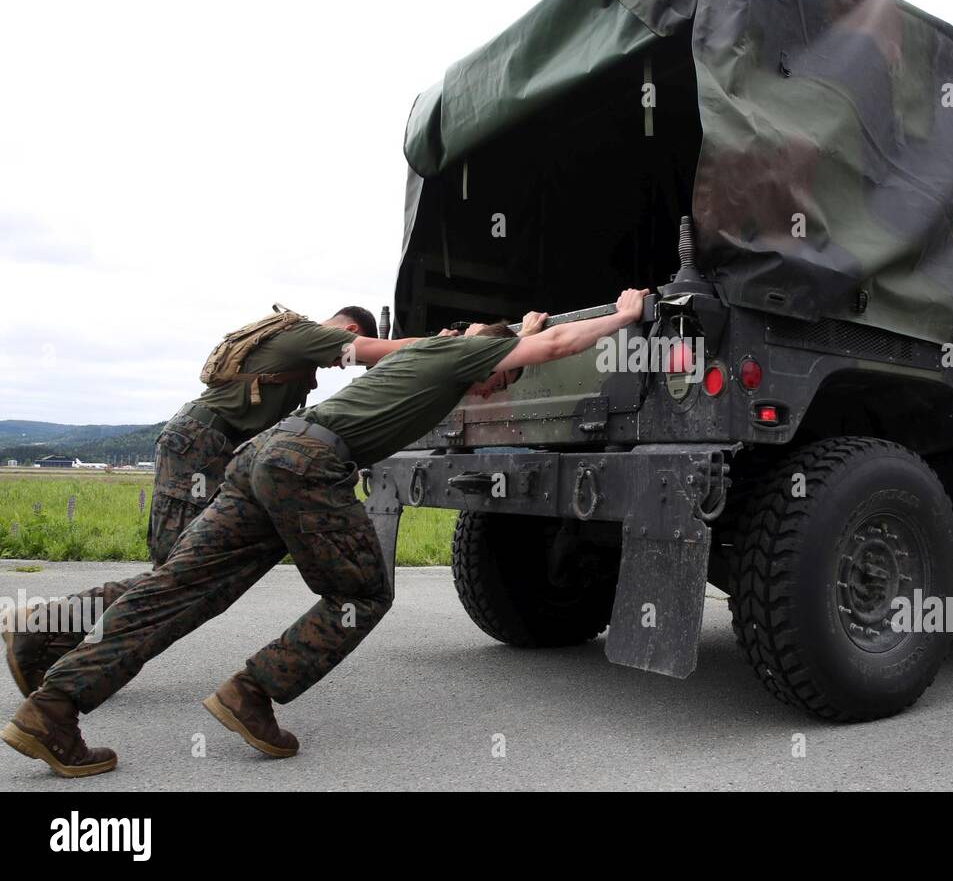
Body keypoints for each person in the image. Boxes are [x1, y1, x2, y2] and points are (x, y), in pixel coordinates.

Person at [0, 289, 644, 777]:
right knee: (363, 594)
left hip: (263, 457)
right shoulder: (466, 353)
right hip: (309, 465)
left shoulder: (435, 354)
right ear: (490, 354)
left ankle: (51, 710)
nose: (499, 387)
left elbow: (524, 338)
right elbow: (550, 347)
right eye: (505, 375)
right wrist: (623, 314)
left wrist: (521, 330)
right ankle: (252, 693)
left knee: (186, 585)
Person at [0, 304, 416, 697]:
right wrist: (447, 342)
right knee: (181, 574)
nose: (337, 366)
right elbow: (375, 352)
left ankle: (50, 637)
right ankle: (43, 626)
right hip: (202, 447)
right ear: (351, 330)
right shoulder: (310, 335)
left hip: (209, 448)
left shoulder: (293, 342)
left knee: (186, 574)